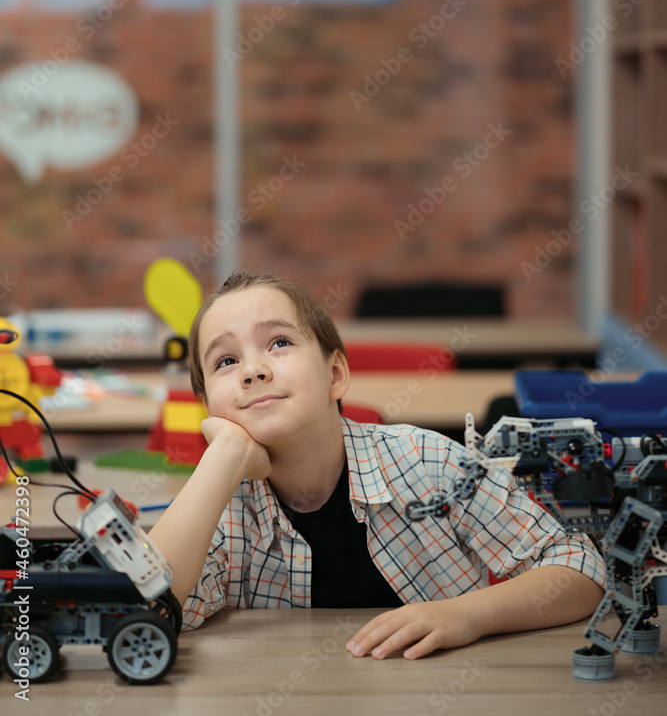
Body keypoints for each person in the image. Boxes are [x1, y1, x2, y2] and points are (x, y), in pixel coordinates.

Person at [148, 271, 605, 661]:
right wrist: (224, 452)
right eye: (226, 360)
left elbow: (581, 568)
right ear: (207, 405)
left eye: (279, 342)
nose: (253, 370)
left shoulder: (428, 462)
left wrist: (467, 615)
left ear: (335, 375)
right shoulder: (220, 502)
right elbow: (145, 609)